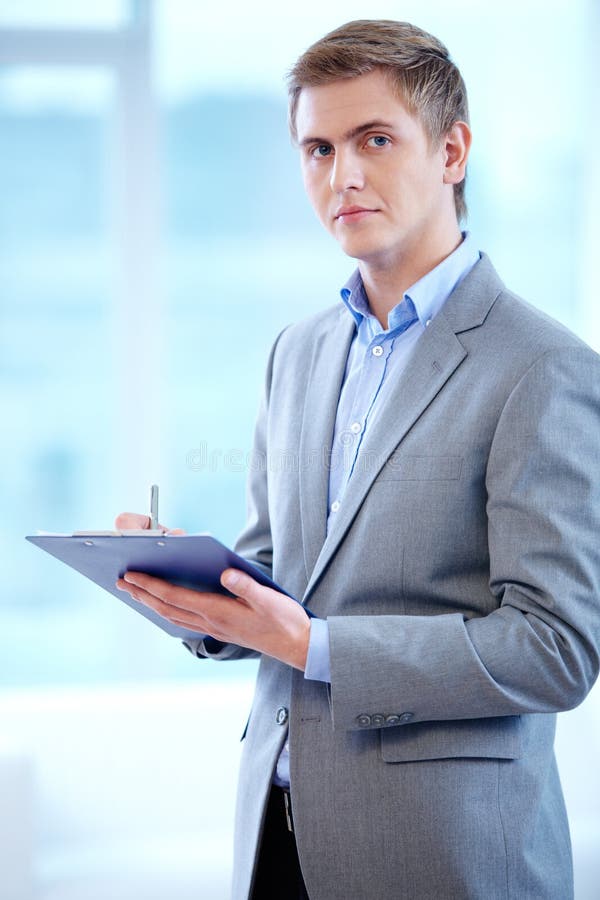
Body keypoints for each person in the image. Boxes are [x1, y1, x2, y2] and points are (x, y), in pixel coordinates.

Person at [116, 19, 600, 900]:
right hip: (278, 836)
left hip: (441, 855)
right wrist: (191, 592)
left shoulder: (543, 368)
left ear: (451, 150)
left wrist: (317, 645)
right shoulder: (296, 352)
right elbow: (281, 575)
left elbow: (555, 648)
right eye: (317, 148)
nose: (342, 174)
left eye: (375, 139)